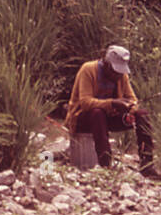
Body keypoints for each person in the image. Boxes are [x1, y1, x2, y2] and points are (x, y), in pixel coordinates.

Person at [65, 44, 156, 175]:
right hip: (83, 119)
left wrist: (130, 109)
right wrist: (112, 103)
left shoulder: (121, 75)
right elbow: (85, 103)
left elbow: (133, 100)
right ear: (106, 64)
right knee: (98, 113)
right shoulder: (88, 69)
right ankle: (106, 164)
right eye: (115, 71)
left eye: (120, 72)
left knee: (142, 114)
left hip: (107, 119)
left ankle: (147, 164)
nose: (118, 75)